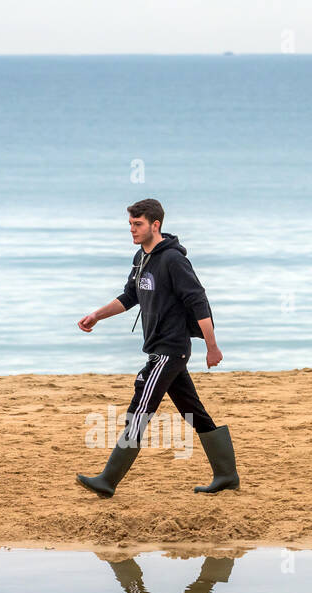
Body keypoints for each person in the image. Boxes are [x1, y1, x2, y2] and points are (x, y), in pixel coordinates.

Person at [75, 198, 240, 497]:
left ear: (156, 224)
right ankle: (226, 475)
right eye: (130, 225)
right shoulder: (142, 258)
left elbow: (198, 301)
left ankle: (108, 480)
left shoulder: (173, 260)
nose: (132, 230)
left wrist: (212, 347)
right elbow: (129, 296)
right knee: (194, 411)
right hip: (159, 348)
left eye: (137, 225)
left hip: (170, 349)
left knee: (140, 408)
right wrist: (96, 315)